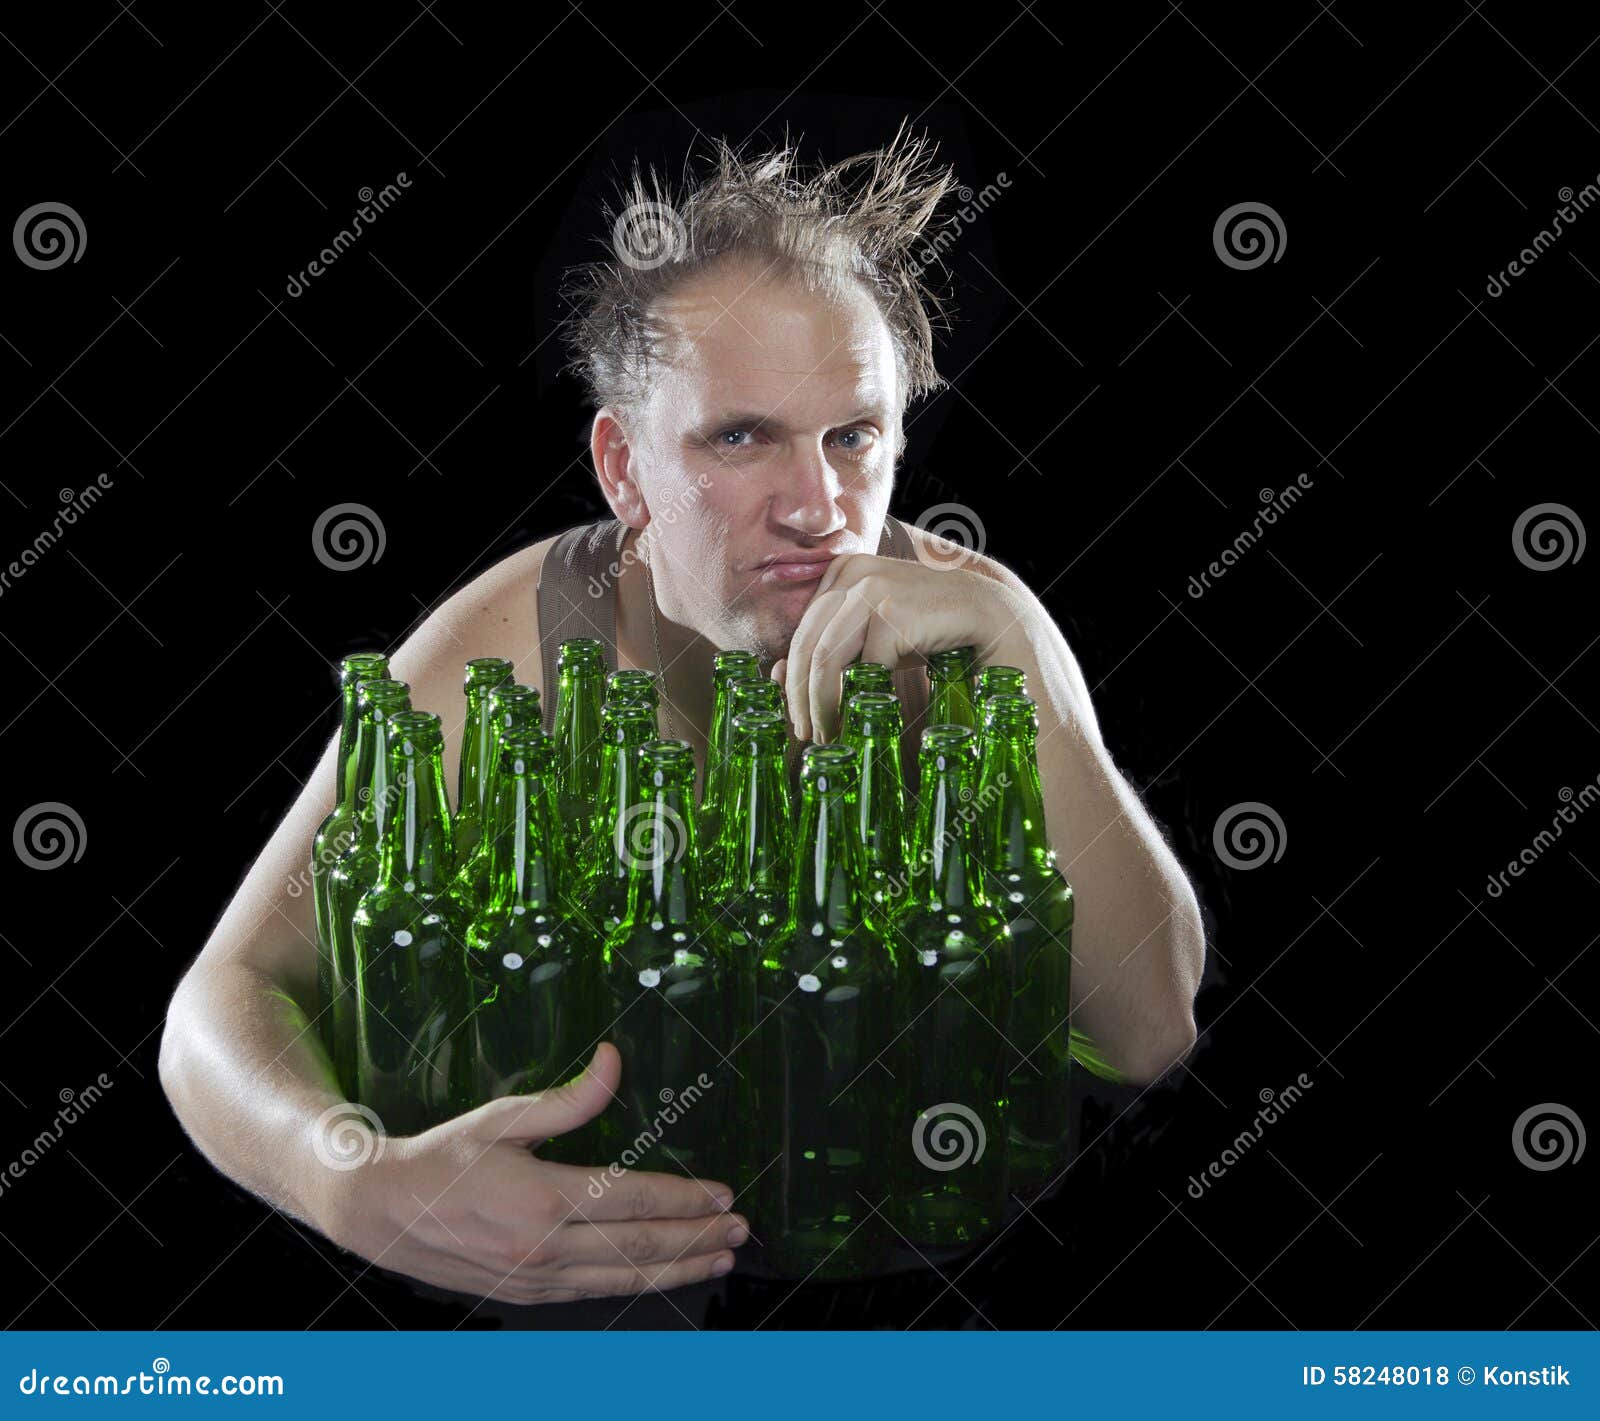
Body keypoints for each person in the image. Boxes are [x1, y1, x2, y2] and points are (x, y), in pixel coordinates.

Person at [158, 128, 1204, 1314]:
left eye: (852, 435)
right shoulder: (512, 642)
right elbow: (224, 998)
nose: (818, 507)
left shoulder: (977, 631)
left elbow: (1146, 1030)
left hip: (926, 1274)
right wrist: (353, 1178)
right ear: (623, 467)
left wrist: (1025, 661)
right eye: (739, 436)